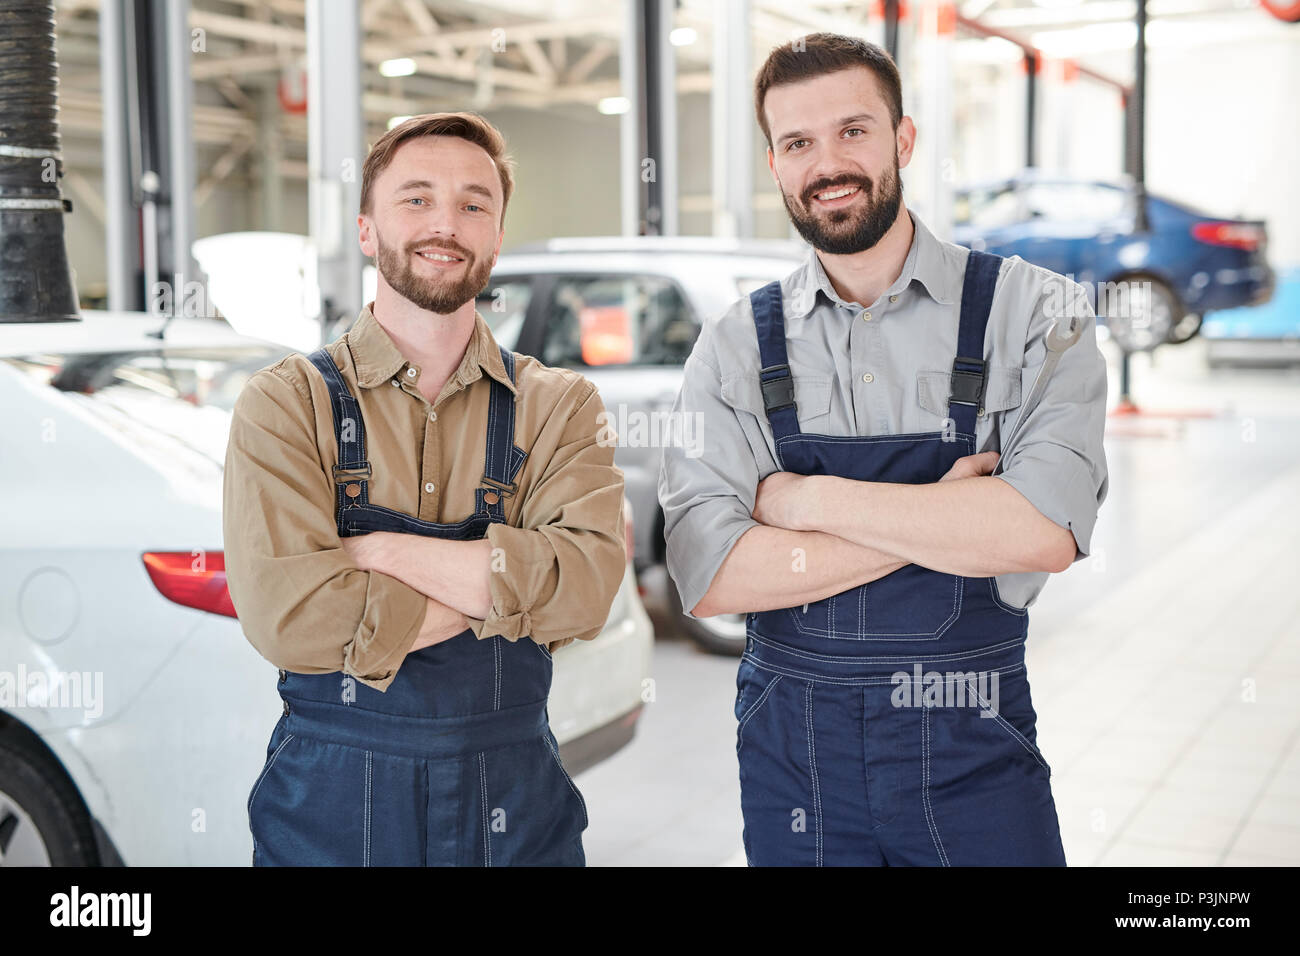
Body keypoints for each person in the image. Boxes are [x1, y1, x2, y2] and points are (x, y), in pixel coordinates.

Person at [658, 34, 1108, 866]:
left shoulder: (1036, 315)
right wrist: (949, 518)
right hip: (795, 762)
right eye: (798, 143)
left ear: (904, 139)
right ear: (773, 163)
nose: (827, 163)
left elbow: (1040, 531)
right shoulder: (730, 346)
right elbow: (715, 576)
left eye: (853, 131)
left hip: (974, 746)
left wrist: (802, 502)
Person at [223, 112, 626, 866]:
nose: (446, 223)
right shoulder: (286, 405)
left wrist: (376, 553)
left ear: (497, 237)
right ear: (368, 228)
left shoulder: (560, 406)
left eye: (474, 205)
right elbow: (293, 621)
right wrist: (506, 595)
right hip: (331, 806)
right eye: (416, 199)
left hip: (515, 800)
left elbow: (587, 590)